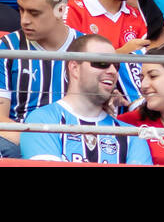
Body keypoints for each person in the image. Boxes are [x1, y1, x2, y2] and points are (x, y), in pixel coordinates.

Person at [0, 0, 137, 143]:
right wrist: (42, 147)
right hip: (22, 144)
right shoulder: (5, 47)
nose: (24, 20)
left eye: (34, 13)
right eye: (21, 10)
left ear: (61, 9)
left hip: (80, 145)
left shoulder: (89, 48)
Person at [20, 34, 153, 163]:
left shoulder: (132, 135)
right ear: (74, 68)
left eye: (116, 65)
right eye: (102, 62)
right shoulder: (41, 121)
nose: (113, 71)